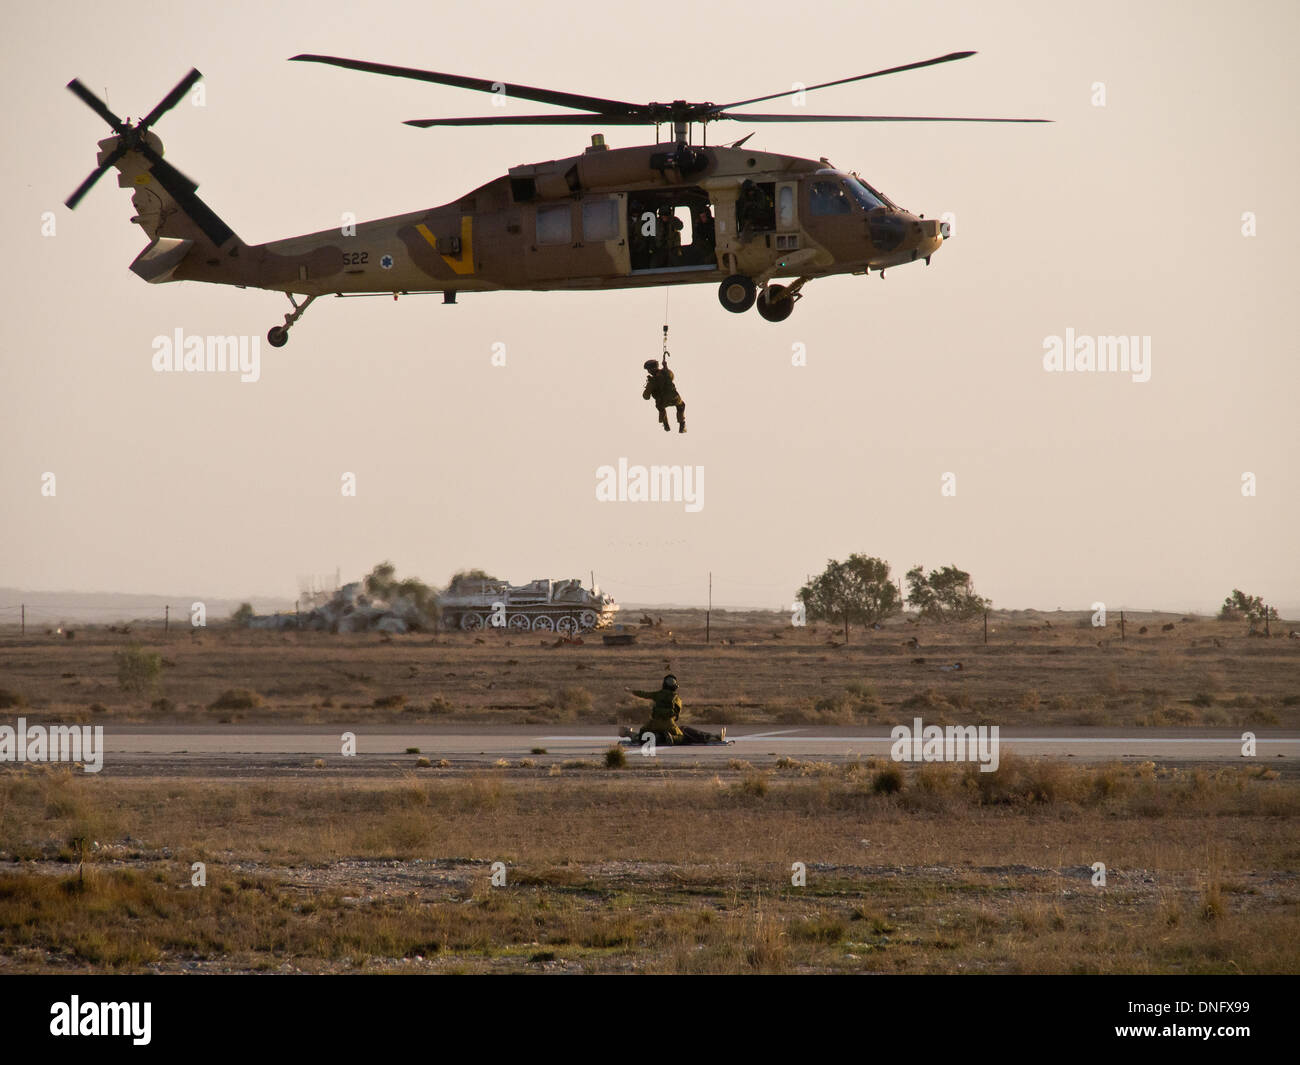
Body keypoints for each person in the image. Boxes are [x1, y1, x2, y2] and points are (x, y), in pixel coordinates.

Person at [626, 674, 724, 745]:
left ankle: (634, 736)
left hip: (654, 724)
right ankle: (712, 737)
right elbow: (677, 712)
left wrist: (631, 691)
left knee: (643, 732)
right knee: (683, 735)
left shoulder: (657, 694)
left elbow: (643, 694)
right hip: (669, 724)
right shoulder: (676, 698)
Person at [642, 358, 686, 433]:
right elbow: (671, 376)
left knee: (661, 408)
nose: (648, 372)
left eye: (648, 370)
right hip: (674, 398)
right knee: (681, 405)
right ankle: (682, 424)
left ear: (651, 369)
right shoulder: (666, 372)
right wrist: (666, 367)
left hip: (662, 402)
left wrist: (649, 387)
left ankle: (665, 424)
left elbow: (646, 397)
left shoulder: (653, 381)